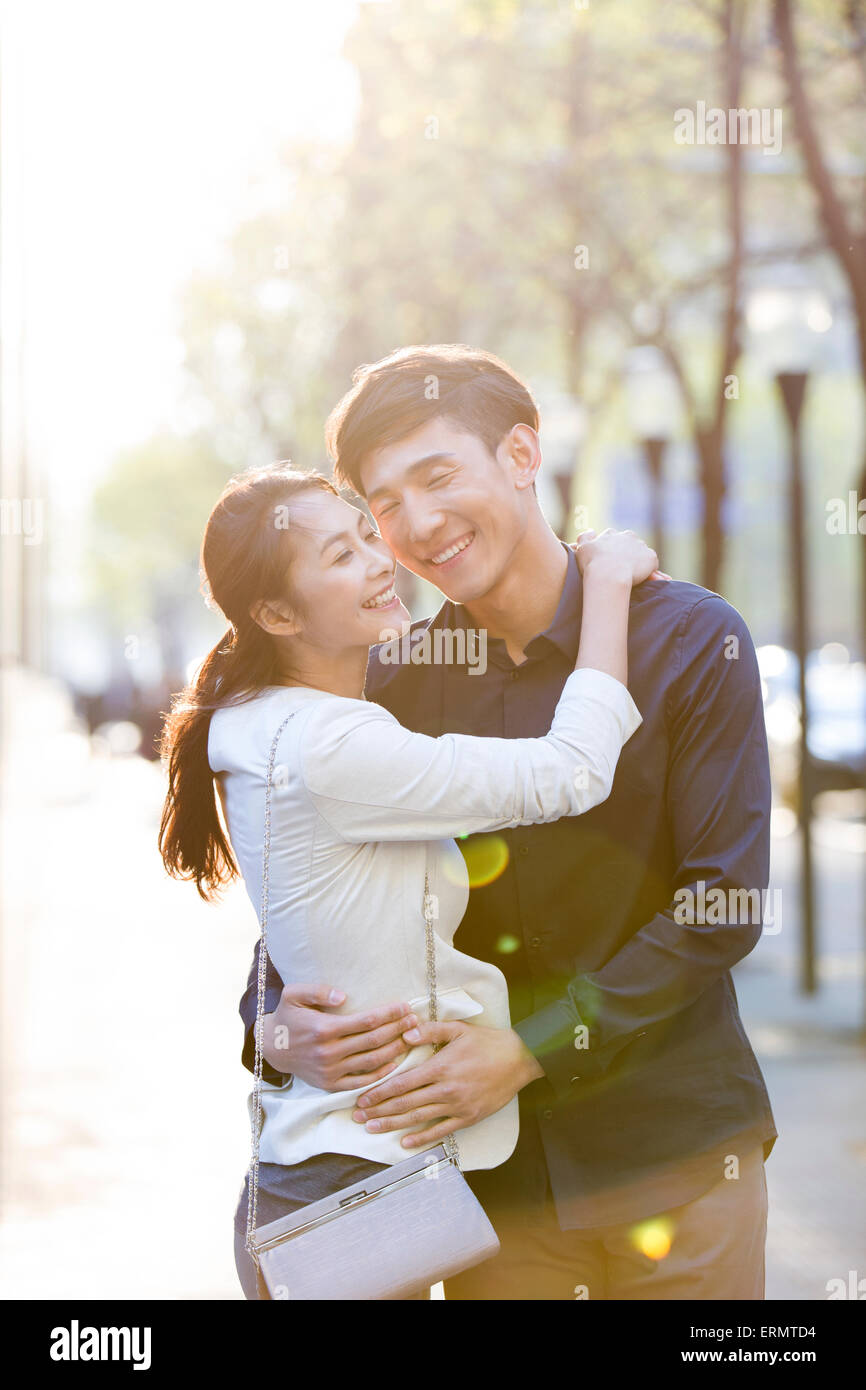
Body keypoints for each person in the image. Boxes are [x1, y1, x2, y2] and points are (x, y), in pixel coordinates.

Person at [240, 344, 777, 1301]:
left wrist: (532, 1046)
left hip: (679, 1157)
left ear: (522, 454)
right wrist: (274, 1031)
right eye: (386, 503)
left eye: (439, 476)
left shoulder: (691, 640)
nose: (418, 523)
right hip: (492, 1196)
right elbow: (312, 897)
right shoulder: (393, 683)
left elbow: (722, 902)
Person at [158, 461, 656, 1299]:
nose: (378, 561)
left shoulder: (256, 719)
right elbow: (570, 772)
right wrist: (607, 586)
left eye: (367, 536)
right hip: (350, 1193)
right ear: (276, 615)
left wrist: (271, 1032)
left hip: (322, 1179)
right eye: (340, 557)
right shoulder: (331, 744)